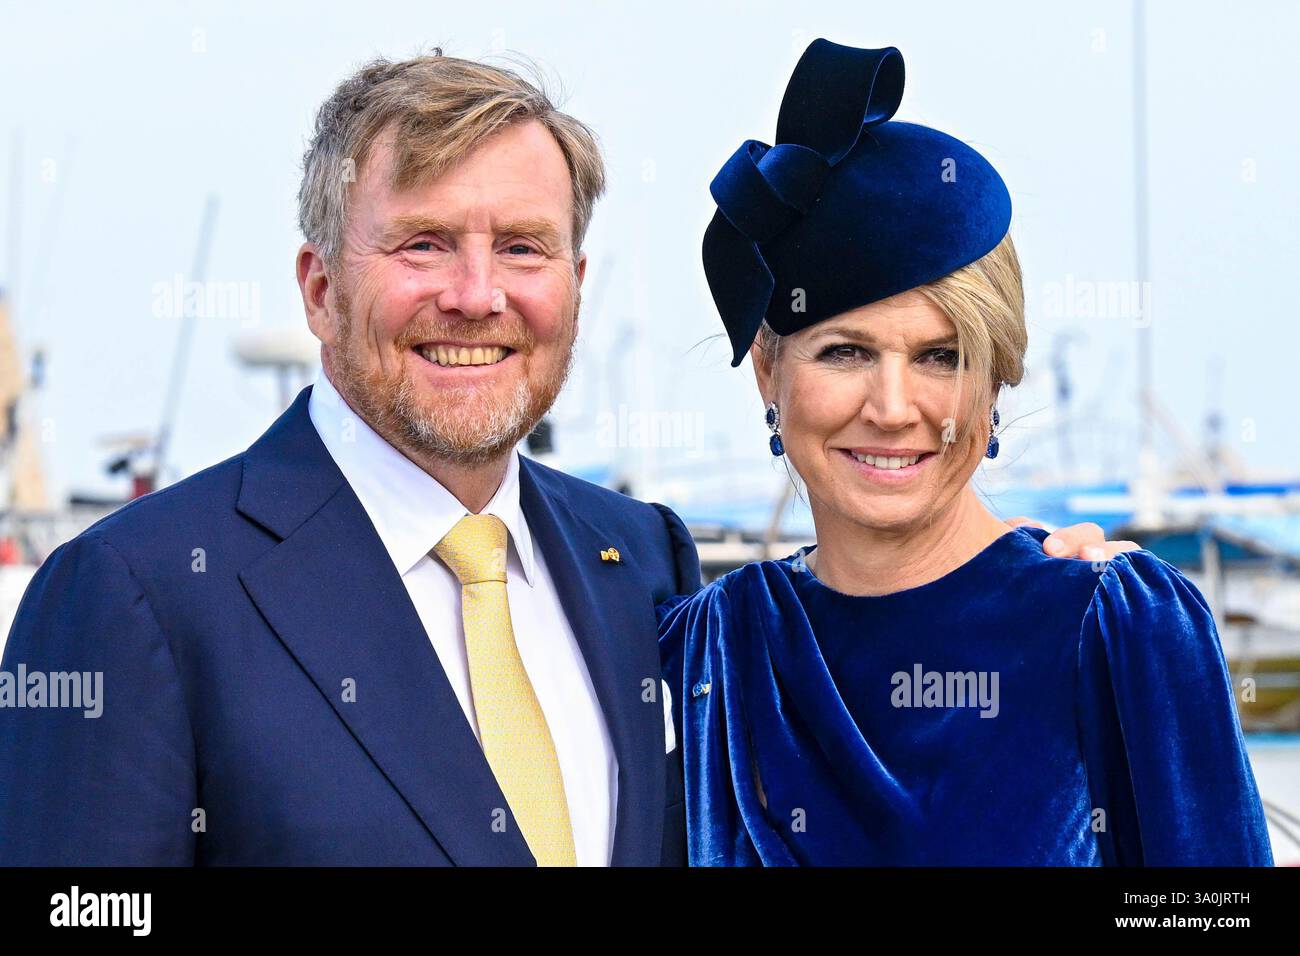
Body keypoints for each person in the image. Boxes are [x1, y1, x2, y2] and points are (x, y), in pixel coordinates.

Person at [0, 51, 1127, 867]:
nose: (477, 295)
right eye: (424, 242)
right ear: (317, 286)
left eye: (523, 248)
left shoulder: (641, 564)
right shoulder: (134, 594)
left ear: (575, 287)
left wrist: (1016, 595)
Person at [659, 39, 1273, 866]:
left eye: (940, 357)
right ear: (769, 370)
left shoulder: (1119, 628)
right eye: (844, 351)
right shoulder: (706, 652)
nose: (892, 408)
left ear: (994, 384)